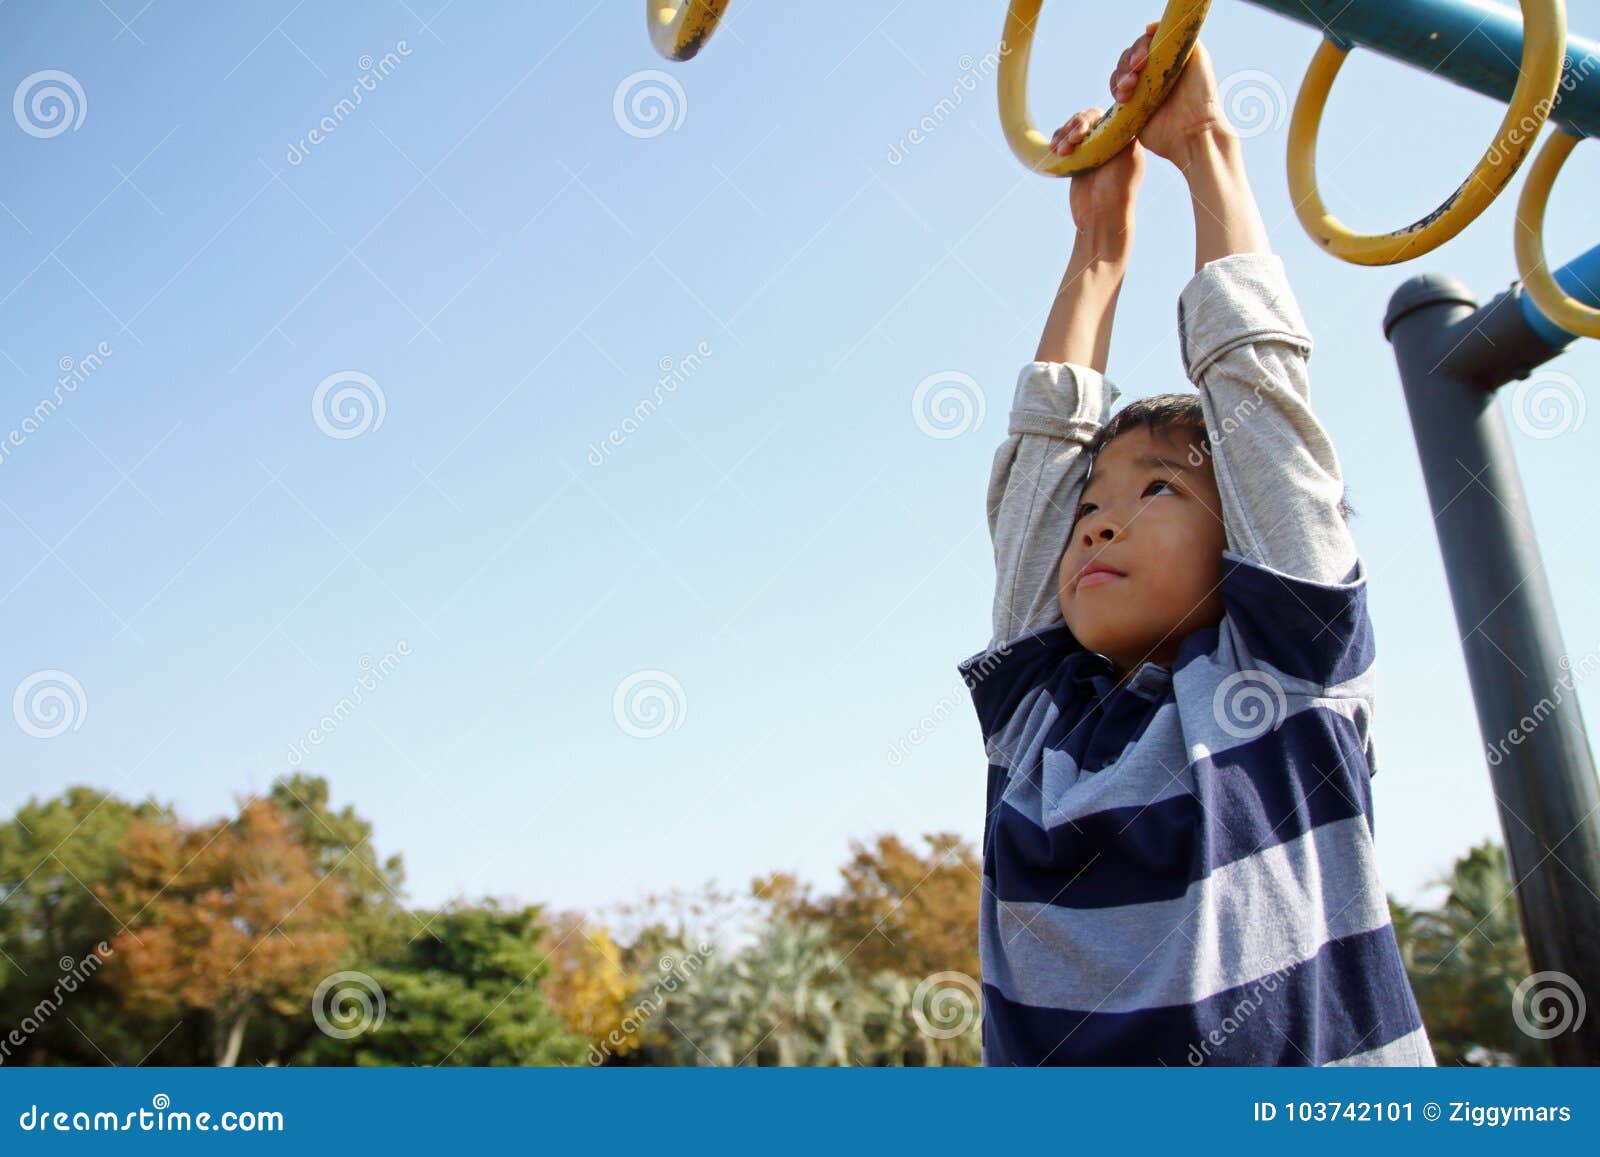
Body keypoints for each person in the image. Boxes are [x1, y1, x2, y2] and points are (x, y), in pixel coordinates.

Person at [958, 23, 1435, 1065]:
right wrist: (1096, 247)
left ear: (1247, 543)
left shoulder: (1283, 676)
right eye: (1092, 499)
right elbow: (1040, 472)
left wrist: (1206, 149)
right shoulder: (1035, 724)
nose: (1098, 516)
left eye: (1159, 486)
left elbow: (1260, 405)